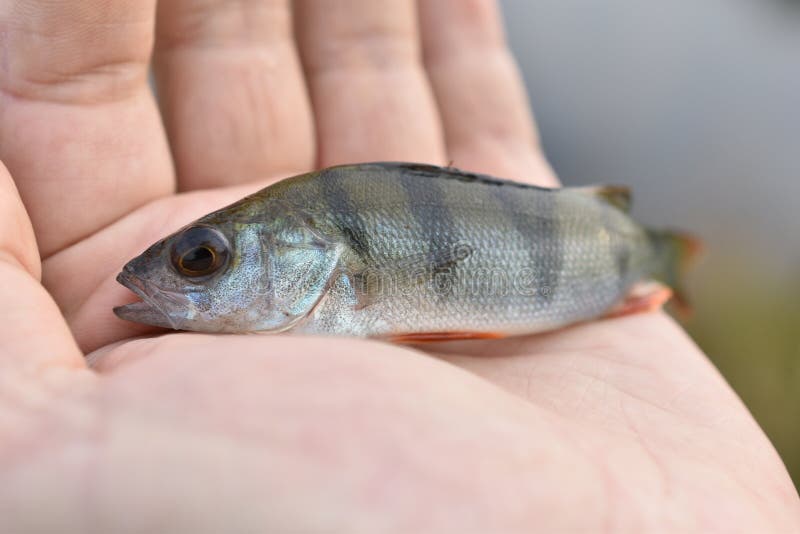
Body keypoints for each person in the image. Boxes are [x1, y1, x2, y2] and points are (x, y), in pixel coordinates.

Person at [0, 1, 797, 531]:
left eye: (202, 261)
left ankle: (644, 252)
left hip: (606, 263)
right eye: (200, 260)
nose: (172, 280)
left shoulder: (347, 270)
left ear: (318, 257)